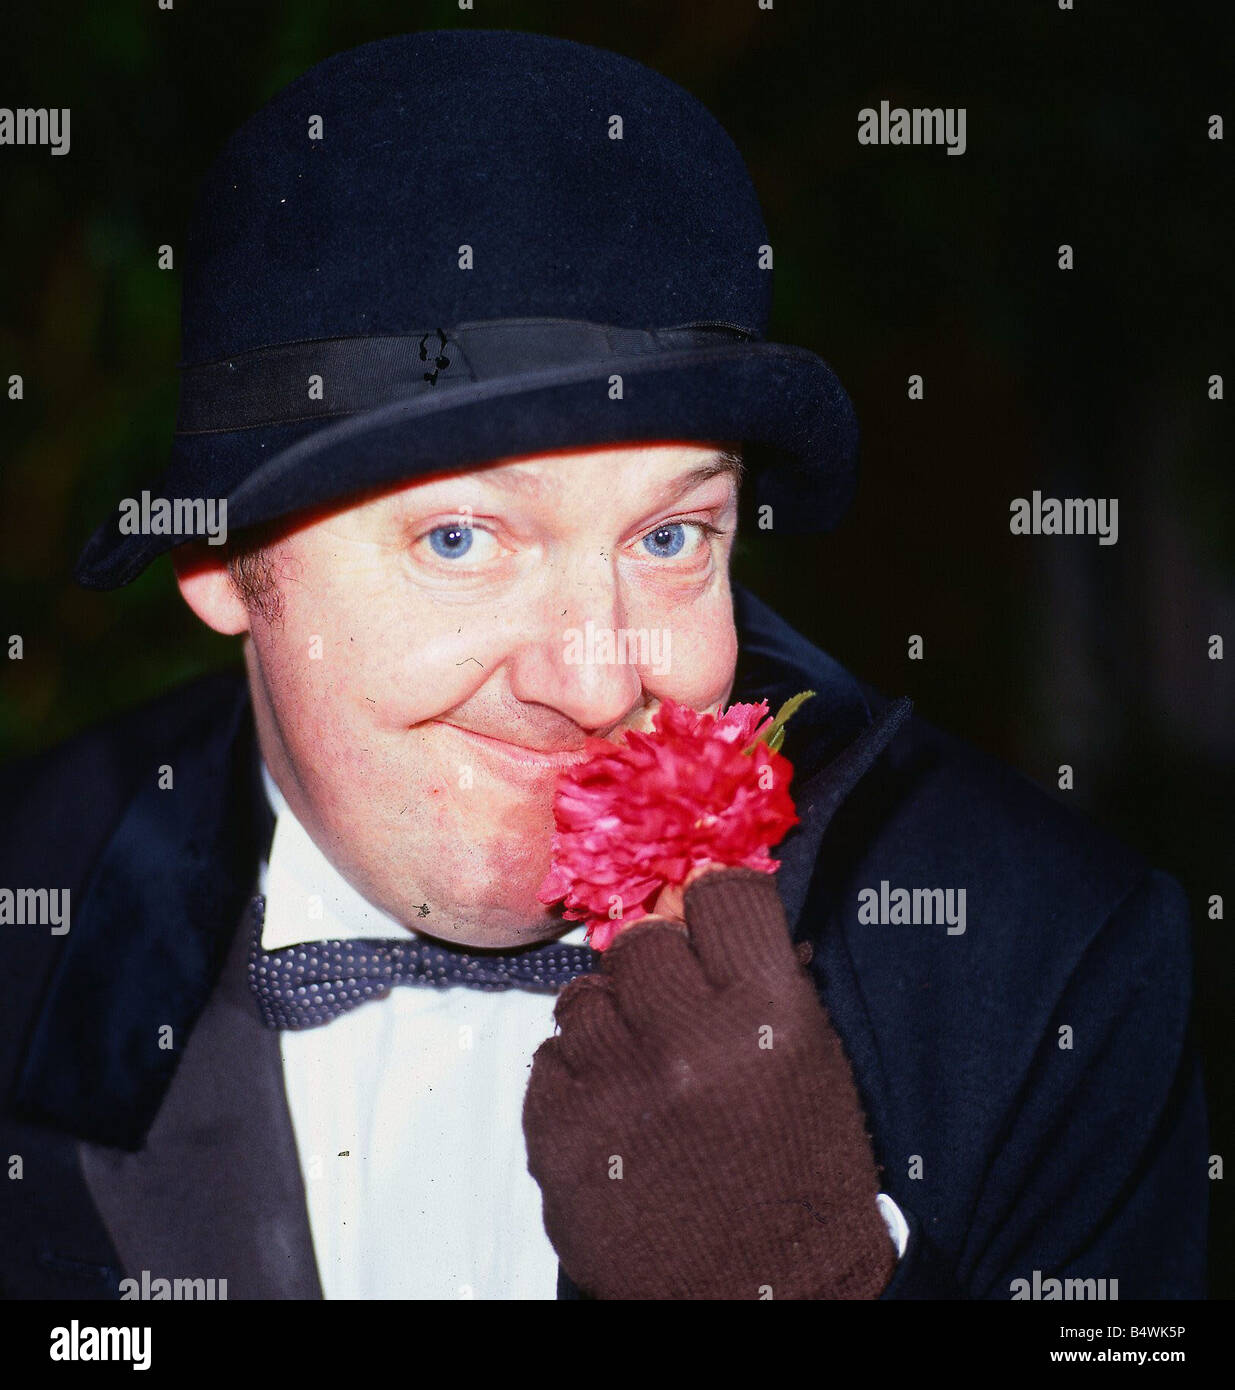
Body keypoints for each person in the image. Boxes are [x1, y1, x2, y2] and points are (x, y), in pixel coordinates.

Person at [0, 29, 1206, 1301]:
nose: (595, 683)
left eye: (672, 535)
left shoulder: (1050, 966)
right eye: (459, 539)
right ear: (221, 562)